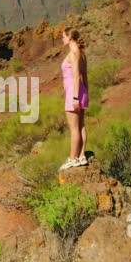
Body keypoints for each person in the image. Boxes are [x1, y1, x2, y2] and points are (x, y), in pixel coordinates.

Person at [59, 27, 89, 171]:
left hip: (74, 93)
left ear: (70, 37)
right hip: (81, 91)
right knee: (81, 125)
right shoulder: (82, 54)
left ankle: (73, 159)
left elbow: (77, 76)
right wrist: (85, 94)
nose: (62, 39)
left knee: (74, 129)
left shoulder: (74, 53)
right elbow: (85, 77)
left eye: (63, 36)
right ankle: (82, 156)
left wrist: (76, 97)